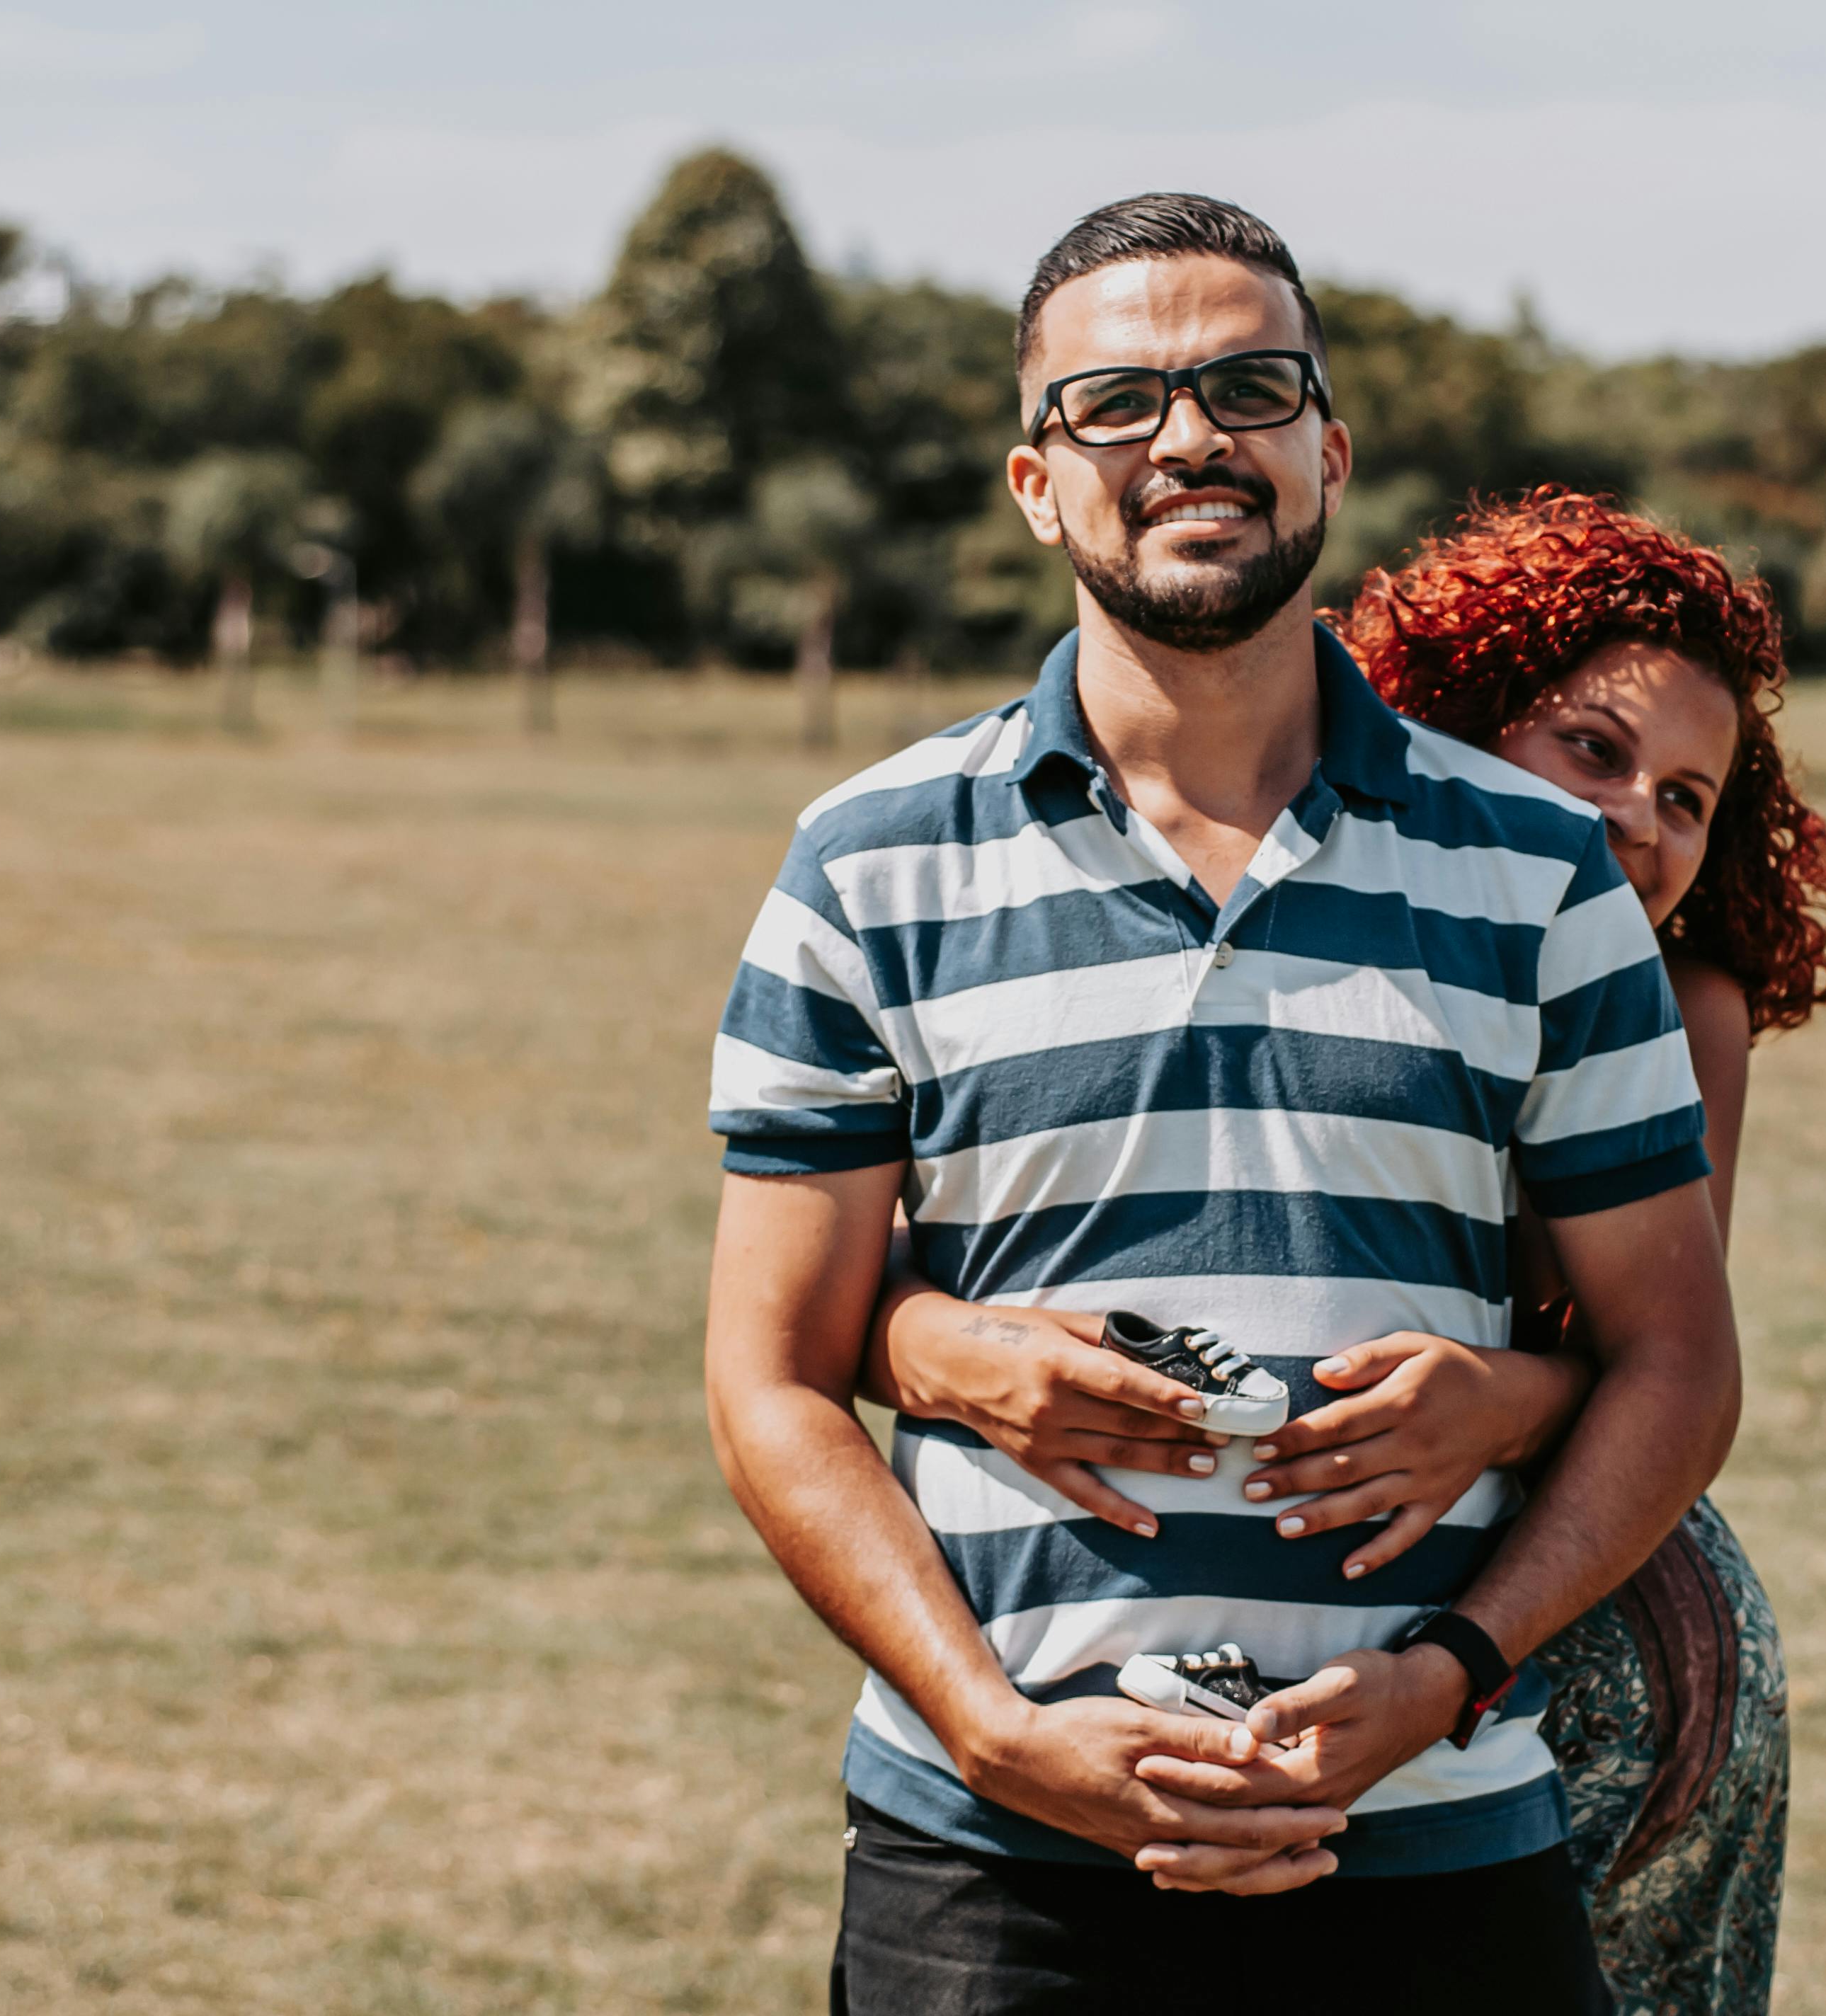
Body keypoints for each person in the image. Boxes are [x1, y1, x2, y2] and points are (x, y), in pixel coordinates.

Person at [702, 193, 1741, 2015]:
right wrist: (992, 1728)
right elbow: (770, 1375)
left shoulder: (1540, 878)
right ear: (1036, 483)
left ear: (1326, 453)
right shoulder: (863, 864)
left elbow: (1679, 1360)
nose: (1189, 437)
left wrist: (1446, 1676)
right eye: (1117, 402)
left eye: (1247, 386)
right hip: (990, 1859)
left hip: (1434, 1838)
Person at [870, 488, 1826, 2013]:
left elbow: (1649, 1352)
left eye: (1684, 796)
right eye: (1590, 749)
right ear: (1451, 716)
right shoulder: (1336, 907)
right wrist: (918, 1340)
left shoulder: (1684, 1006)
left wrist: (1507, 1408)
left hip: (1579, 1616)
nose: (1635, 819)